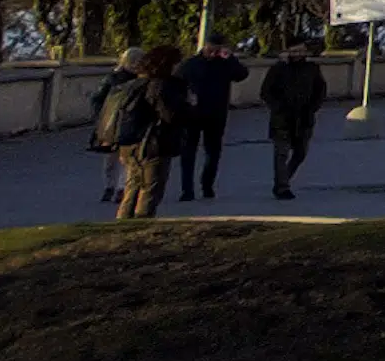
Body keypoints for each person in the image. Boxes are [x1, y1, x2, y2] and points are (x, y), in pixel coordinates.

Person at [90, 46, 173, 222]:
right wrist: (101, 119)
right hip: (116, 125)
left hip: (128, 130)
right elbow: (99, 100)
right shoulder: (115, 79)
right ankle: (111, 187)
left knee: (127, 163)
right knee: (115, 161)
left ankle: (120, 189)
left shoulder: (140, 80)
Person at [167, 35, 245, 202]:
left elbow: (241, 74)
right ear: (205, 46)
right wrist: (184, 101)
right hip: (192, 115)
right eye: (211, 49)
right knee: (188, 152)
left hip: (216, 114)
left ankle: (207, 185)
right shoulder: (191, 64)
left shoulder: (224, 64)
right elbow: (175, 84)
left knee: (213, 152)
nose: (213, 53)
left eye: (217, 50)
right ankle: (187, 189)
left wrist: (230, 59)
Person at [257, 37, 329, 200]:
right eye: (294, 51)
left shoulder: (311, 69)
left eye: (301, 50)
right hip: (282, 119)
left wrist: (313, 108)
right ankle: (282, 187)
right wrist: (278, 108)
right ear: (288, 52)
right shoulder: (279, 69)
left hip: (304, 119)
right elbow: (266, 92)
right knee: (281, 153)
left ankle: (284, 179)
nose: (298, 54)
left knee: (300, 153)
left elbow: (320, 90)